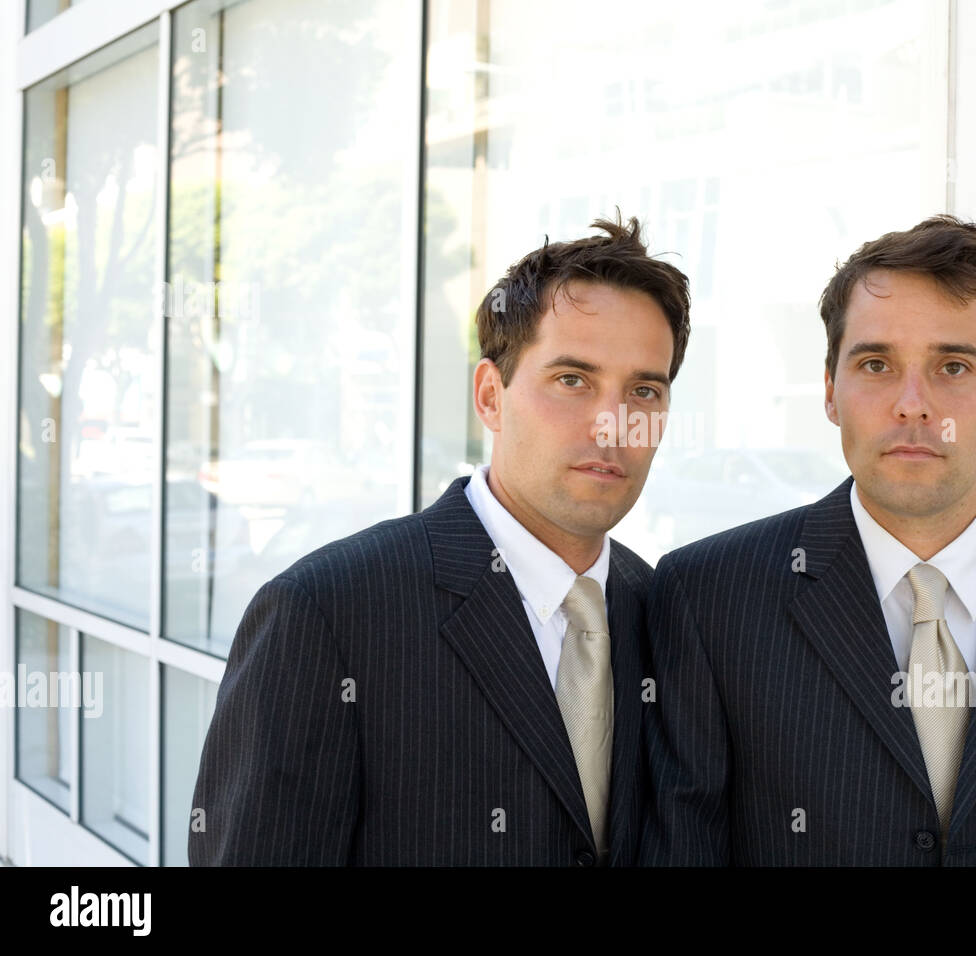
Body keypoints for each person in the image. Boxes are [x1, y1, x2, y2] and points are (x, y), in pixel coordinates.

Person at [639, 215, 976, 866]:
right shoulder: (708, 599)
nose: (912, 404)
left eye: (952, 365)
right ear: (829, 391)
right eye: (875, 364)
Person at [190, 215, 690, 866]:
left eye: (643, 390)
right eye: (572, 380)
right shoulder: (326, 615)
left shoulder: (661, 607)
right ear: (490, 396)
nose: (612, 424)